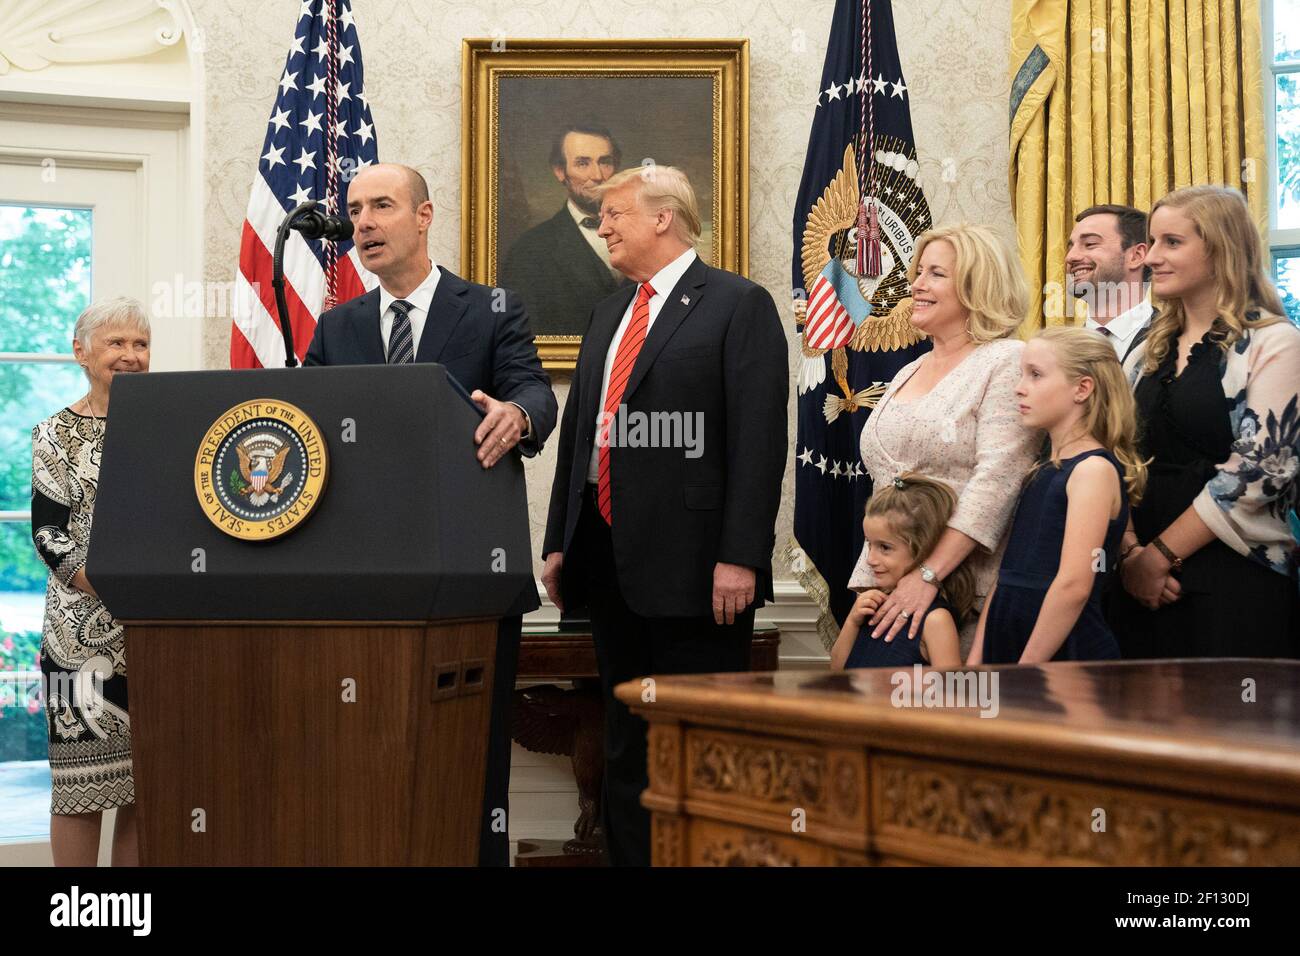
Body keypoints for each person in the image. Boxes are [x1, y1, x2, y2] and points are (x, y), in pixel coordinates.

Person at [303, 162, 558, 866]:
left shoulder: (492, 308)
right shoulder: (337, 327)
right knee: (364, 758)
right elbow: (307, 429)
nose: (363, 223)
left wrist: (517, 415)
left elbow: (536, 391)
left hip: (470, 572)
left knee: (469, 765)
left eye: (381, 206)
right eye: (354, 210)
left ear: (424, 216)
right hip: (361, 584)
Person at [540, 165, 787, 866]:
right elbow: (582, 436)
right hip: (607, 560)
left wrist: (741, 554)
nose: (603, 226)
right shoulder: (609, 311)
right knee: (626, 742)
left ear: (663, 217)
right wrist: (561, 542)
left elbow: (758, 440)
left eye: (614, 213)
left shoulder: (738, 305)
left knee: (700, 744)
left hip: (700, 571)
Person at [1111, 184, 1300, 658]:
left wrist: (1160, 556)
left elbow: (1261, 471)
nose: (1151, 257)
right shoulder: (1143, 350)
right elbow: (1112, 451)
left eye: (1172, 243)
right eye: (1152, 241)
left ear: (1220, 250)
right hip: (1136, 582)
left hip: (1233, 577)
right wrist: (1132, 554)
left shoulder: (1274, 342)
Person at [847, 224, 1043, 658]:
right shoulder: (908, 370)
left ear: (977, 286)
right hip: (886, 592)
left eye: (935, 274)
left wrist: (929, 575)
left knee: (950, 717)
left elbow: (998, 482)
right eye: (918, 271)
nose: (915, 284)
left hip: (960, 595)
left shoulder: (1006, 361)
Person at [32, 296, 151, 866]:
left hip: (157, 636)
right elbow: (49, 537)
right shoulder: (54, 434)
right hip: (78, 645)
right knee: (81, 792)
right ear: (81, 353)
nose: (130, 355)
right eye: (116, 344)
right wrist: (111, 584)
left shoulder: (168, 425)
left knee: (143, 793)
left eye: (140, 344)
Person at [971, 327, 1146, 665]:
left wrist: (1027, 668)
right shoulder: (1042, 469)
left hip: (1063, 651)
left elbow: (1074, 585)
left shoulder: (1092, 471)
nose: (1019, 388)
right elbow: (1008, 573)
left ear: (1082, 388)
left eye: (1035, 375)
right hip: (1010, 641)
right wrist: (978, 657)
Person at [830, 473, 971, 670]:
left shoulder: (936, 620)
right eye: (869, 544)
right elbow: (837, 670)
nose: (870, 560)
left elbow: (949, 694)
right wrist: (852, 622)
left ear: (924, 548)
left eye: (885, 547)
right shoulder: (872, 604)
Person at [499, 123, 628, 336]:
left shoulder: (644, 235)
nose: (596, 175)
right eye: (582, 163)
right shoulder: (529, 251)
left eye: (605, 162)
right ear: (560, 172)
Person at [1065, 204, 1152, 362]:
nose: (1070, 257)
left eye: (1090, 244)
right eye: (1070, 247)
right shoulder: (1061, 352)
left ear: (1136, 256)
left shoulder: (1179, 343)